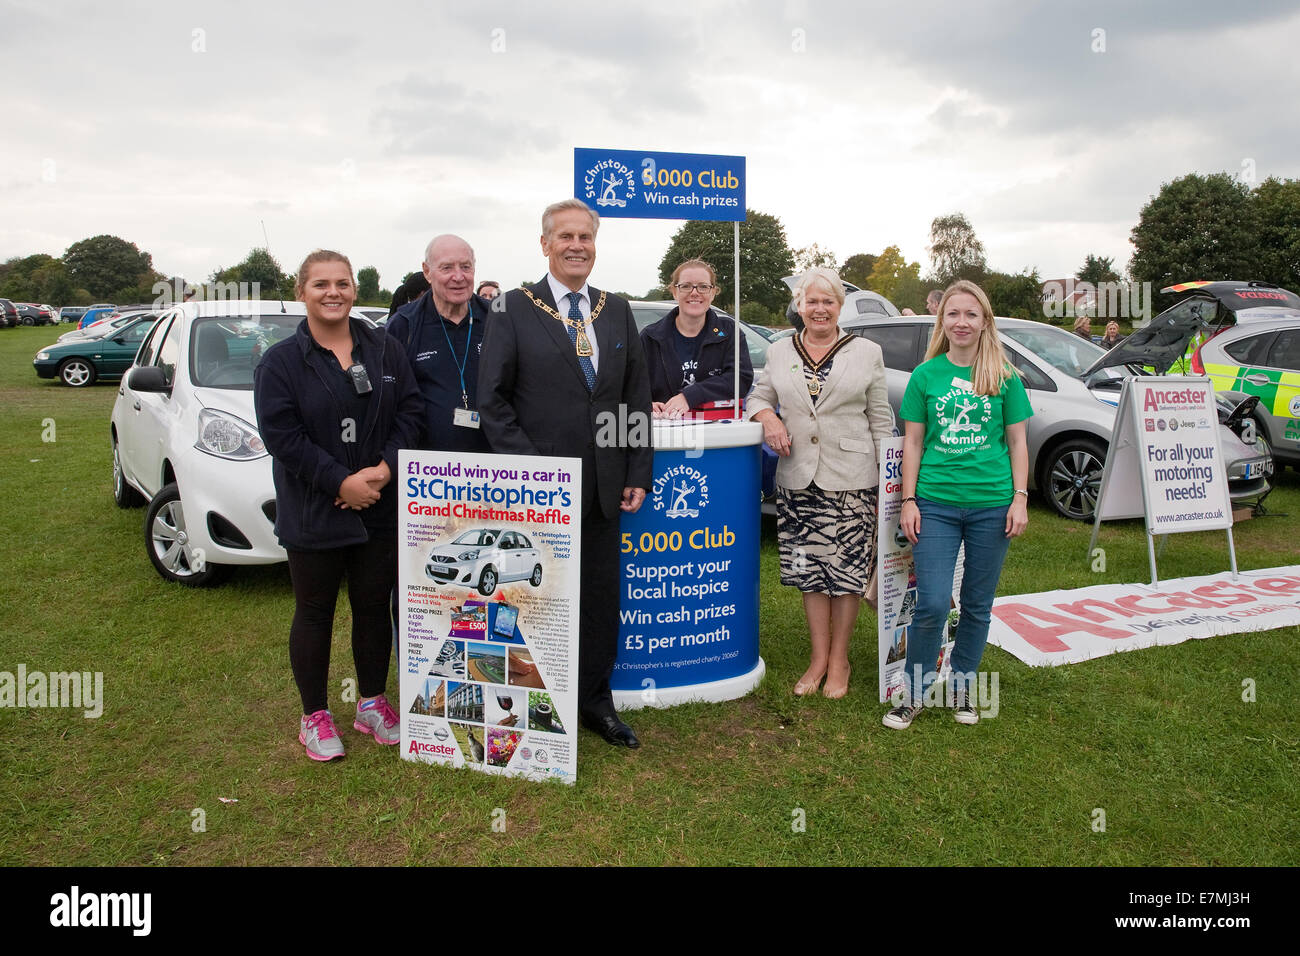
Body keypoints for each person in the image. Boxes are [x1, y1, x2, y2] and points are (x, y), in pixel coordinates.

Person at [478, 199, 653, 748]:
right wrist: (534, 471)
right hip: (540, 493)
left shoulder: (615, 308)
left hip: (603, 487)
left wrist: (634, 469)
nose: (577, 245)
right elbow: (493, 401)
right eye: (566, 236)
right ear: (545, 244)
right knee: (537, 598)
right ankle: (531, 702)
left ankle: (595, 704)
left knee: (600, 599)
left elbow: (633, 398)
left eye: (586, 236)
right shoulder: (512, 308)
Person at [254, 250, 424, 761]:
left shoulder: (385, 347)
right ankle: (315, 716)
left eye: (343, 284)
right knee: (314, 611)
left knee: (373, 607)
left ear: (354, 290)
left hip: (378, 502)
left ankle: (371, 703)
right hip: (315, 508)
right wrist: (339, 481)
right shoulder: (280, 361)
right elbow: (282, 436)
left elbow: (411, 413)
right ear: (302, 291)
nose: (334, 293)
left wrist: (386, 469)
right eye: (321, 284)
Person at [884, 280, 1031, 730]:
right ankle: (913, 693)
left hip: (992, 504)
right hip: (936, 504)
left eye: (971, 314)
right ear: (941, 321)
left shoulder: (1004, 376)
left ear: (985, 321)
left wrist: (1020, 498)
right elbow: (912, 442)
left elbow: (1018, 443)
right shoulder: (925, 377)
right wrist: (908, 500)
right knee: (930, 603)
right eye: (953, 314)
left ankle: (963, 686)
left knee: (976, 604)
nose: (961, 322)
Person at [747, 267, 894, 699]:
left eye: (828, 301)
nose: (819, 309)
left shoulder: (866, 351)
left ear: (839, 306)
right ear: (799, 306)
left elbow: (881, 419)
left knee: (846, 573)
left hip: (852, 477)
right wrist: (769, 418)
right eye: (811, 301)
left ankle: (840, 660)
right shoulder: (778, 351)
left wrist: (891, 483)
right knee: (810, 571)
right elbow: (758, 397)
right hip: (798, 478)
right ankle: (817, 658)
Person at [386, 235, 491, 454]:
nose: (459, 277)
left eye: (466, 267)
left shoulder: (496, 319)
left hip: (491, 466)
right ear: (427, 272)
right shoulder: (404, 325)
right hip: (427, 469)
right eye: (447, 268)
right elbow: (389, 400)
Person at [640, 258, 753, 418]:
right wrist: (644, 404)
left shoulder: (729, 332)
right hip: (665, 435)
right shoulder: (650, 337)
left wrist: (690, 396)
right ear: (674, 291)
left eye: (703, 287)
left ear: (713, 292)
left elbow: (740, 379)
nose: (694, 292)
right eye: (685, 286)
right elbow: (631, 385)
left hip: (717, 433)